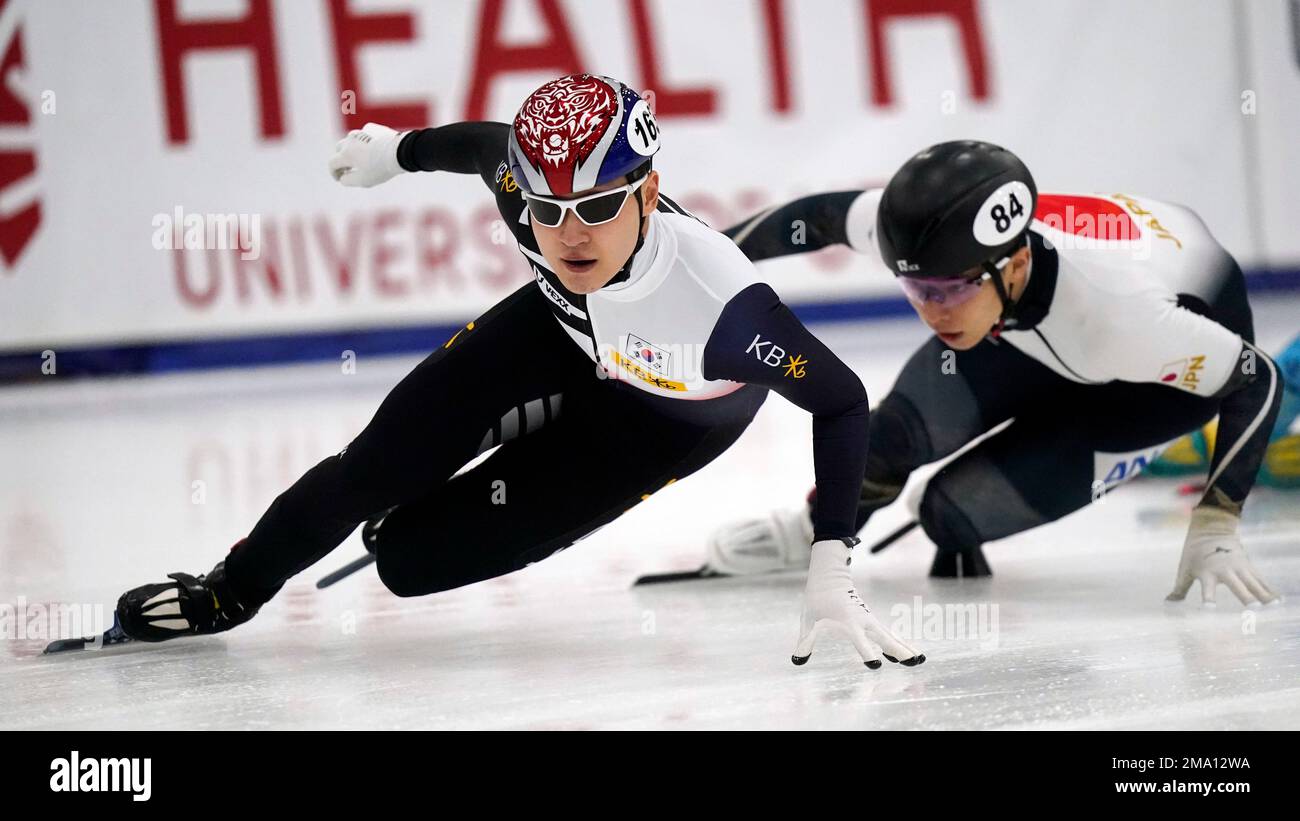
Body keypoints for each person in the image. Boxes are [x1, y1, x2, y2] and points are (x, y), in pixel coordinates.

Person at [101, 75, 924, 670]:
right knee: (369, 471)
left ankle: (423, 518)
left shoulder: (722, 306)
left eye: (600, 207)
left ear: (648, 193)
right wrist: (398, 153)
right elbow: (488, 145)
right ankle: (226, 592)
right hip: (554, 335)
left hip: (664, 419)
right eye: (549, 211)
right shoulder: (525, 191)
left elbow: (843, 400)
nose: (572, 235)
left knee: (409, 561)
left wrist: (830, 561)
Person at [706, 140, 1282, 607]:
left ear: (1018, 262)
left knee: (952, 517)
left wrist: (1217, 518)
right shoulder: (922, 235)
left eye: (951, 289)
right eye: (917, 289)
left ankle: (963, 512)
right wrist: (708, 258)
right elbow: (815, 219)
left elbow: (1260, 380)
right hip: (1027, 327)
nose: (934, 310)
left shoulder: (1122, 315)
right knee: (890, 440)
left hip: (1151, 385)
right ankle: (813, 532)